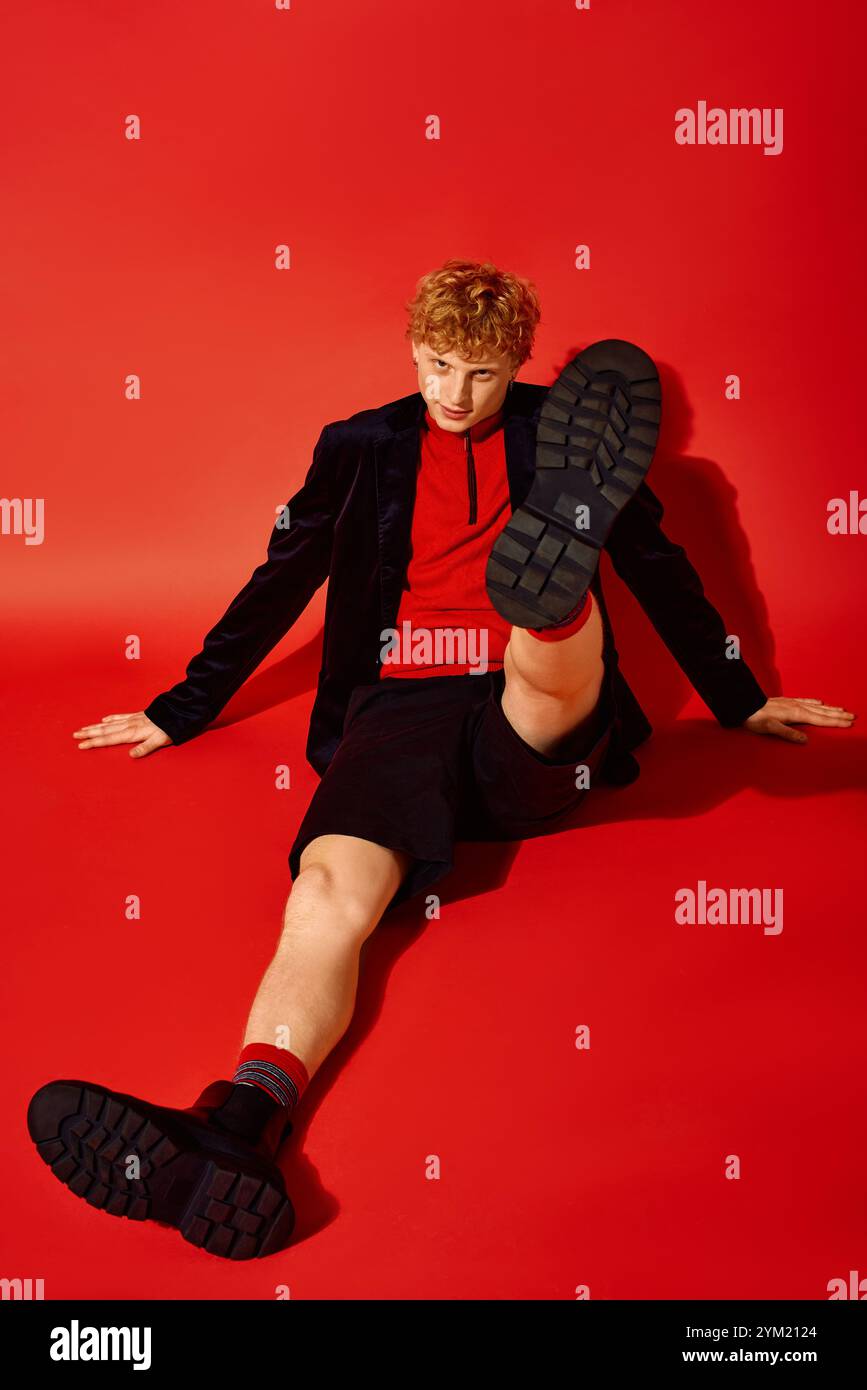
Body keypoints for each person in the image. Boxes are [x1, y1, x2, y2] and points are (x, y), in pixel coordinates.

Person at [27, 258, 855, 1260]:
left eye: (480, 374)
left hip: (528, 707)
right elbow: (283, 571)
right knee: (328, 891)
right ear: (411, 350)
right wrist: (182, 705)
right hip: (402, 701)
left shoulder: (571, 438)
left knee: (550, 665)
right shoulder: (362, 446)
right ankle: (239, 1122)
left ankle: (551, 594)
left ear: (516, 366)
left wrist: (742, 695)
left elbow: (662, 569)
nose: (454, 394)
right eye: (436, 365)